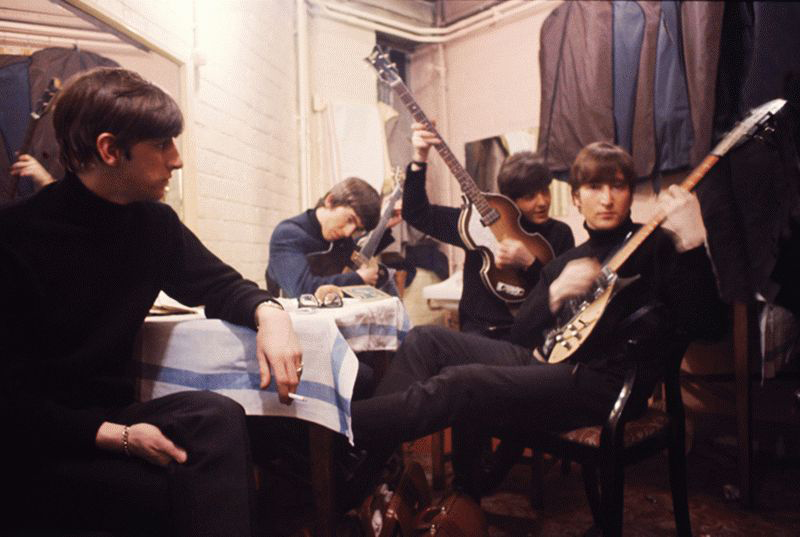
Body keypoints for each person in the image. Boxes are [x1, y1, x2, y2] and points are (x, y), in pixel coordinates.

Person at [0, 67, 302, 537]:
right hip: (34, 440)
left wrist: (272, 314)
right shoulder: (15, 237)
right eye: (162, 145)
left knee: (219, 416)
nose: (176, 160)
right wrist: (117, 437)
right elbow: (10, 399)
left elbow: (221, 286)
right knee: (177, 494)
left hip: (113, 416)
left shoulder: (153, 226)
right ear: (109, 149)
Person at [350, 141, 726, 499]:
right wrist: (552, 293)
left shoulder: (656, 246)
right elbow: (520, 340)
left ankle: (341, 428)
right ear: (576, 198)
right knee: (425, 339)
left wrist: (695, 244)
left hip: (604, 385)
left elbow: (711, 327)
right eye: (594, 187)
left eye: (618, 186)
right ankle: (367, 464)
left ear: (629, 192)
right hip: (552, 365)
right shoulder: (566, 259)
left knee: (460, 383)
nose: (607, 199)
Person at [404, 122, 575, 339]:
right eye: (530, 196)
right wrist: (420, 158)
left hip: (529, 338)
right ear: (510, 200)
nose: (542, 202)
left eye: (545, 191)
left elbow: (561, 294)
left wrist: (530, 264)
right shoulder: (477, 224)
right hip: (479, 334)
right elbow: (416, 213)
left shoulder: (560, 234)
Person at [266, 177, 398, 297]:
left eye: (357, 229)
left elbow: (356, 258)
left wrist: (384, 227)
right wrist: (358, 278)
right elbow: (301, 289)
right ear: (331, 200)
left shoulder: (341, 239)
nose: (348, 233)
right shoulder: (287, 234)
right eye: (350, 219)